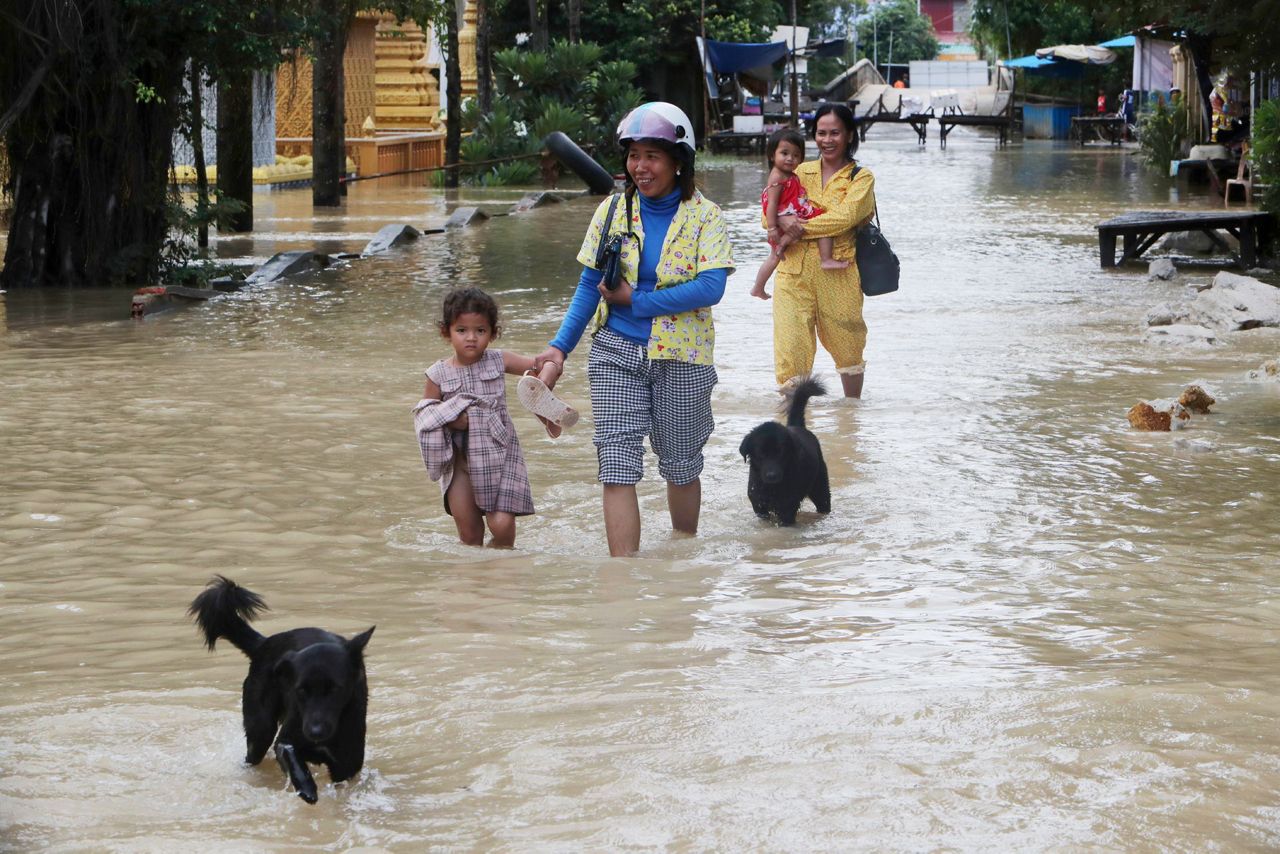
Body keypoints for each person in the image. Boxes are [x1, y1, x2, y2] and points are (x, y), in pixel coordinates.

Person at [533, 102, 735, 557]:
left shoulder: (707, 217)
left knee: (681, 464)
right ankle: (622, 582)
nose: (639, 167)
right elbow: (591, 283)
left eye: (652, 156)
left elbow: (711, 286)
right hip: (615, 352)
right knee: (616, 464)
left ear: (678, 161)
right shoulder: (611, 212)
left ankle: (683, 558)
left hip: (682, 359)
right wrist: (559, 349)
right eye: (633, 155)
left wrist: (637, 301)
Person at [412, 287, 575, 547]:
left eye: (480, 330)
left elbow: (539, 365)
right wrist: (454, 420)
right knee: (470, 535)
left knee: (502, 526)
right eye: (461, 330)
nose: (471, 338)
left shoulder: (499, 361)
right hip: (459, 464)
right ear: (447, 332)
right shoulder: (437, 375)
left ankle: (503, 571)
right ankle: (480, 581)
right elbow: (426, 418)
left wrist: (547, 374)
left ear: (493, 333)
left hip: (500, 457)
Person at [769, 103, 876, 397]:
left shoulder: (861, 178)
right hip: (793, 272)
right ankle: (793, 430)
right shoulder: (799, 170)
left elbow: (846, 217)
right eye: (821, 133)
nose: (827, 140)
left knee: (849, 347)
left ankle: (850, 424)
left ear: (850, 135)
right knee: (790, 352)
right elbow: (771, 206)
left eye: (835, 133)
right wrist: (779, 221)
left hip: (839, 272)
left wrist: (797, 226)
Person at [751, 128, 847, 301]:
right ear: (772, 155)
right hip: (785, 215)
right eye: (785, 153)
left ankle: (787, 249)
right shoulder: (777, 176)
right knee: (821, 222)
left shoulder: (790, 174)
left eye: (796, 155)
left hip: (792, 211)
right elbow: (771, 203)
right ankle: (758, 287)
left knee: (778, 253)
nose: (790, 158)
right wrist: (773, 227)